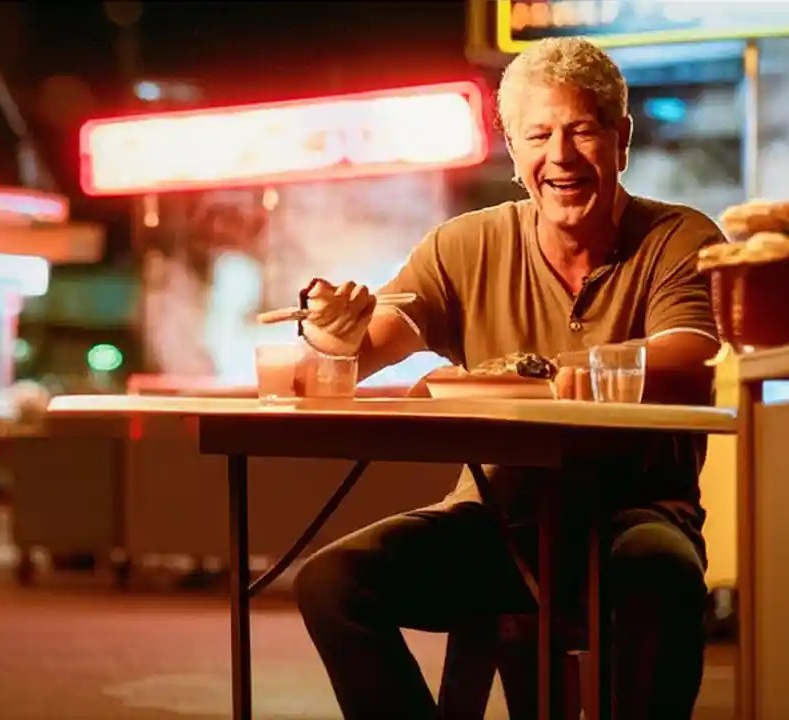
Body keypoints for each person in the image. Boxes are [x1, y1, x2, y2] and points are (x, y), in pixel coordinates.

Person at [291, 38, 722, 720]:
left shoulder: (680, 237)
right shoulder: (464, 245)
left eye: (582, 130)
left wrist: (531, 373)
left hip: (633, 514)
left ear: (622, 139)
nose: (562, 156)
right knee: (332, 583)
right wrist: (330, 333)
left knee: (663, 571)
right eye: (539, 136)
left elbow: (689, 359)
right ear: (514, 152)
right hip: (497, 520)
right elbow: (365, 347)